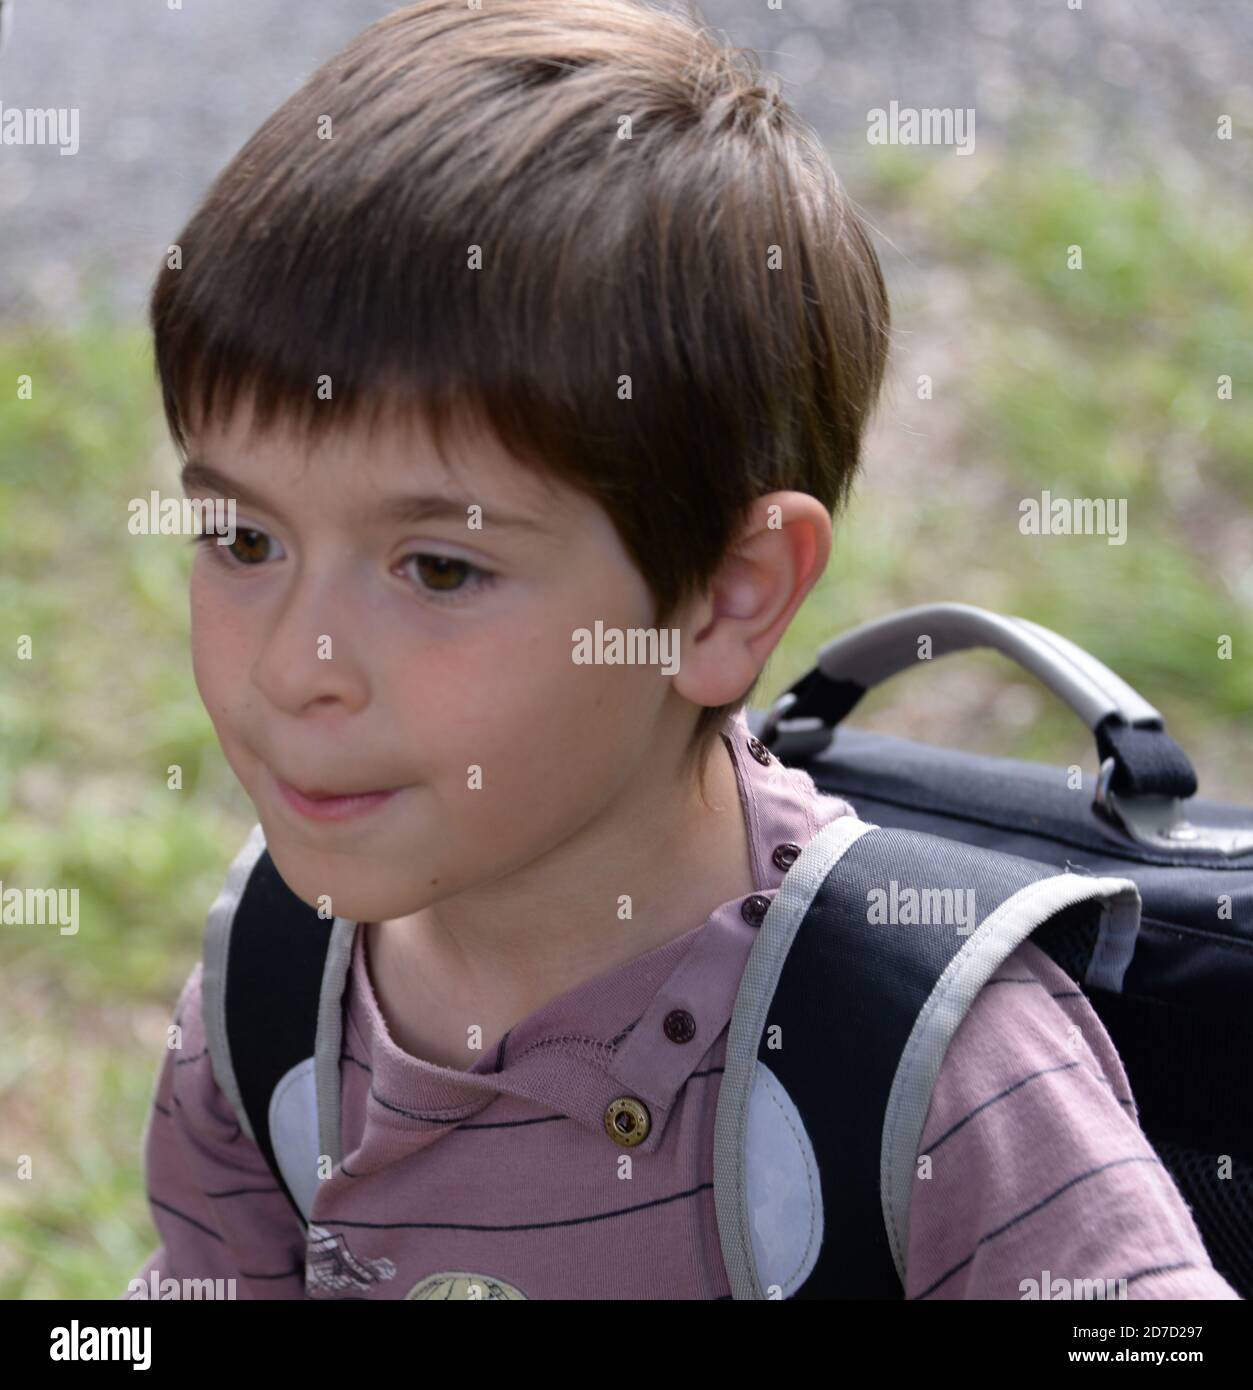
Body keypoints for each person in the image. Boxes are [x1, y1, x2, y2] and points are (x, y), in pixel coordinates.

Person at [126, 0, 1238, 1300]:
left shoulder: (928, 1072)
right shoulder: (273, 973)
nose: (289, 668)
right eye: (242, 538)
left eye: (438, 567)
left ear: (721, 597)